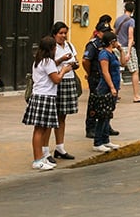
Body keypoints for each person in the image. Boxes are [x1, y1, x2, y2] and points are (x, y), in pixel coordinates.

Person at [23, 35, 74, 171]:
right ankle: (38, 159)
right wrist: (64, 70)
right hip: (44, 96)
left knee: (43, 128)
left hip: (43, 96)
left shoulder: (39, 61)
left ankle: (41, 157)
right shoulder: (48, 62)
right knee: (39, 129)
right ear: (51, 48)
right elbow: (56, 79)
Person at [47, 21, 80, 161]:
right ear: (54, 34)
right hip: (56, 81)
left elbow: (77, 61)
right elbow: (47, 64)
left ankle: (60, 147)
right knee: (51, 117)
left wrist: (74, 64)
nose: (63, 36)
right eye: (60, 33)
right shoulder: (51, 47)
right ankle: (45, 150)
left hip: (68, 79)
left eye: (65, 33)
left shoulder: (69, 46)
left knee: (63, 116)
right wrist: (61, 60)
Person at [82, 16, 115, 138]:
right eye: (104, 32)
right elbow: (85, 60)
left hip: (106, 77)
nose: (106, 34)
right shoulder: (93, 45)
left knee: (107, 102)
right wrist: (90, 73)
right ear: (98, 32)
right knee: (94, 103)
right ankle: (90, 127)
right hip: (96, 77)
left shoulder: (107, 44)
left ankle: (106, 126)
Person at [91, 31, 123, 152]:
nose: (117, 42)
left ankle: (106, 140)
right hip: (105, 87)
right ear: (111, 42)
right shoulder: (104, 54)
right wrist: (111, 87)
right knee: (102, 115)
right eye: (115, 40)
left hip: (114, 85)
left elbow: (123, 62)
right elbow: (105, 72)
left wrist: (121, 50)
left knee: (108, 114)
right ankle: (98, 142)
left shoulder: (113, 53)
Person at [115, 1, 140, 103]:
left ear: (124, 9)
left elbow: (115, 34)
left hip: (117, 47)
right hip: (126, 47)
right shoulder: (131, 21)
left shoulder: (118, 20)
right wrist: (129, 52)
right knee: (134, 71)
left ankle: (115, 95)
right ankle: (136, 95)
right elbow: (130, 37)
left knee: (117, 71)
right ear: (132, 10)